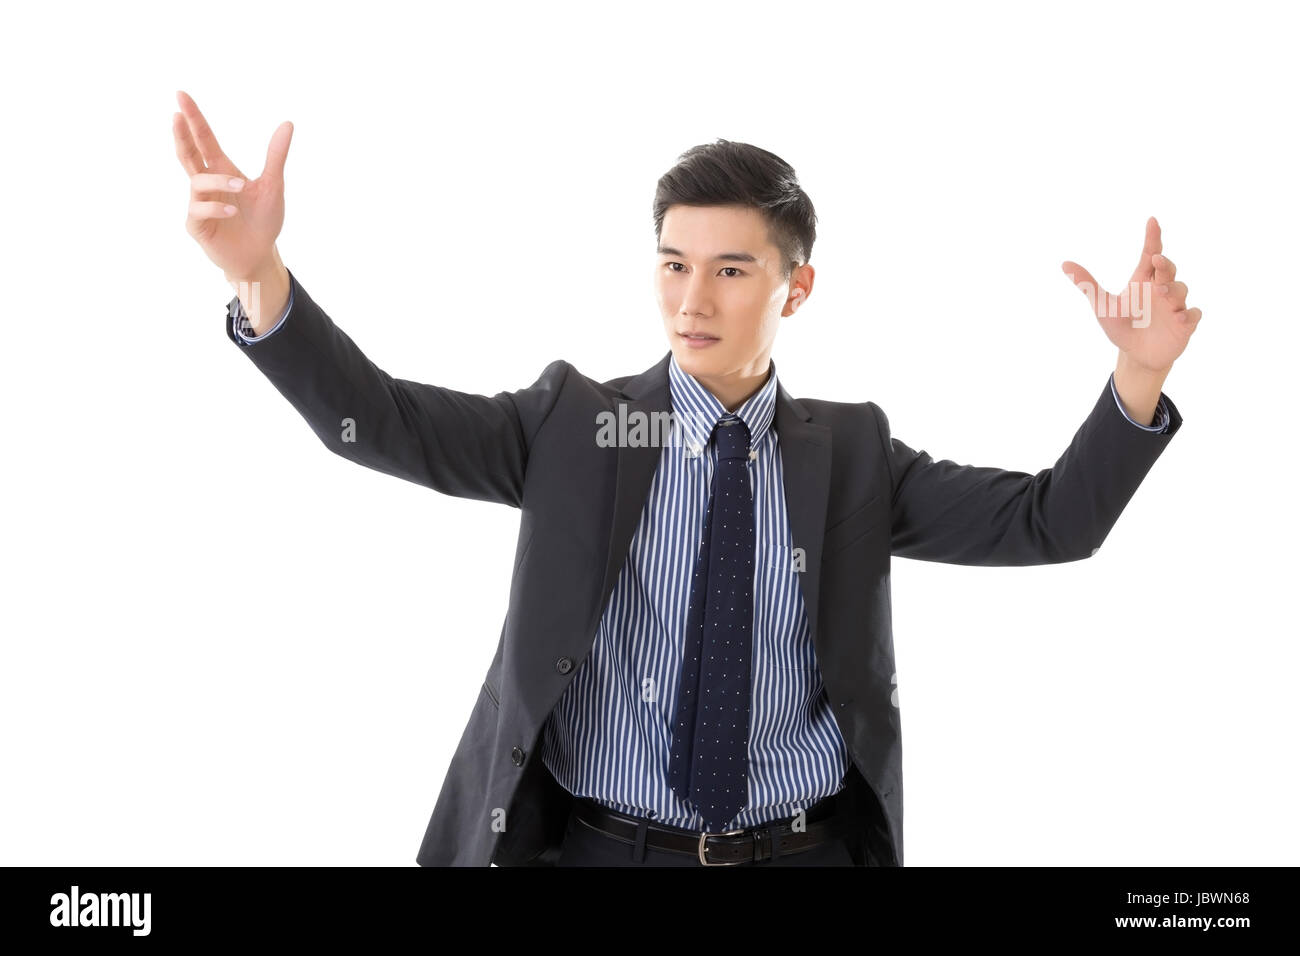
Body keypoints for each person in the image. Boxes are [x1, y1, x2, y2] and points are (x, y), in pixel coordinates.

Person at [173, 90, 1201, 866]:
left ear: (797, 287)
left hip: (801, 847)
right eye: (672, 262)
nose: (691, 297)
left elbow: (1047, 522)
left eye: (730, 268)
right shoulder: (573, 423)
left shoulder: (849, 452)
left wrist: (1139, 371)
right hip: (593, 846)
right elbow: (378, 422)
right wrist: (258, 279)